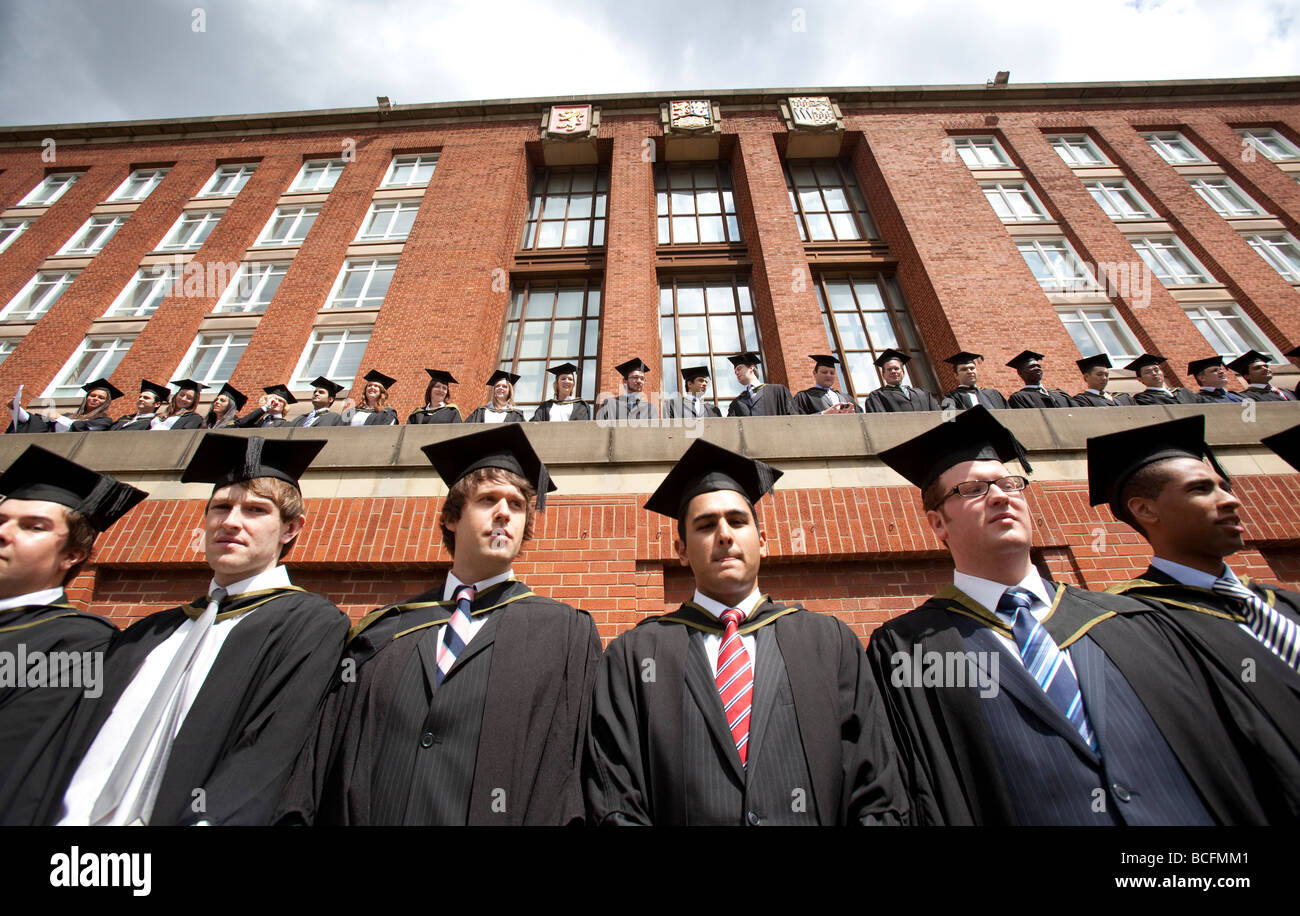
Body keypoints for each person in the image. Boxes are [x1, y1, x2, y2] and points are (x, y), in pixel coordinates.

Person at [868, 406, 1284, 824]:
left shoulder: (1133, 619)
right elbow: (929, 788)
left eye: (1010, 483)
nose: (1000, 495)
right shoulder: (911, 647)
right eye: (973, 489)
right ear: (938, 523)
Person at [277, 424, 601, 825]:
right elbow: (324, 760)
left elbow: (569, 774)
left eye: (517, 505)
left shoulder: (565, 634)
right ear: (451, 518)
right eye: (488, 499)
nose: (504, 512)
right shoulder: (383, 631)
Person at [584, 438, 908, 825]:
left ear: (763, 542)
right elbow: (614, 799)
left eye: (738, 521)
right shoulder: (635, 655)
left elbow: (877, 789)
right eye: (706, 525)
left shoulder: (828, 643)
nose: (724, 534)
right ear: (682, 550)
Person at [41, 434, 348, 826]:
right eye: (221, 507)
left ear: (290, 529)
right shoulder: (149, 631)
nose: (231, 522)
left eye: (255, 510)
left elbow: (269, 751)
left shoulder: (308, 623)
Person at [1087, 416, 1300, 816]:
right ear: (1144, 509)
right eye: (1201, 489)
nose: (1230, 500)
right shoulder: (1132, 624)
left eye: (1224, 486)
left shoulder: (1285, 605)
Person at [0, 446, 146, 825]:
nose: (3, 534)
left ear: (73, 555)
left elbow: (18, 771)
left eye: (32, 526)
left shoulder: (79, 644)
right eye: (0, 519)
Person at [7, 379, 121, 434]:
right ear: (87, 398)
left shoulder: (103, 421)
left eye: (101, 398)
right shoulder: (69, 415)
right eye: (93, 395)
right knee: (37, 420)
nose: (95, 399)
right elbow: (38, 424)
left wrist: (58, 418)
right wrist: (16, 408)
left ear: (105, 403)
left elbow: (79, 428)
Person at [863, 349, 940, 413]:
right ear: (883, 375)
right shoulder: (877, 397)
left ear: (903, 372)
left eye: (896, 368)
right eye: (889, 369)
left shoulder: (923, 394)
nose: (893, 371)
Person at [725, 352, 795, 418]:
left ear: (751, 368)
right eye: (735, 372)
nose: (736, 372)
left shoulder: (778, 391)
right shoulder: (736, 403)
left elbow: (794, 418)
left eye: (739, 368)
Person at [938, 352, 1008, 412]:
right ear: (956, 375)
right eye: (964, 369)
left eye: (972, 368)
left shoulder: (994, 394)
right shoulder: (951, 398)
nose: (970, 371)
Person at [793, 354, 862, 415]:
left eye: (832, 373)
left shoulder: (847, 398)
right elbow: (796, 420)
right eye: (824, 372)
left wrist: (854, 415)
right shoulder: (803, 397)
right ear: (814, 373)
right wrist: (823, 414)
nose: (829, 375)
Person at [1006, 350, 1073, 408]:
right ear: (1020, 373)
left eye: (1039, 366)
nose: (1037, 368)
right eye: (1031, 367)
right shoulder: (1019, 398)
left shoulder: (1060, 394)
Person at [1126, 354, 1201, 405]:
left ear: (1162, 372)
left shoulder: (1184, 392)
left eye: (1156, 370)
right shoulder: (1143, 398)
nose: (1154, 373)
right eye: (1148, 372)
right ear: (1140, 380)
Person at [1228, 349, 1296, 402]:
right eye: (1257, 368)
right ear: (1247, 376)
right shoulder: (1246, 397)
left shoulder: (1288, 392)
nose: (1265, 369)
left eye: (1266, 366)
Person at [1070, 354, 1135, 407]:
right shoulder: (1081, 400)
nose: (1104, 378)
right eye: (1099, 374)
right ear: (1086, 377)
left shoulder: (1122, 397)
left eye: (1106, 375)